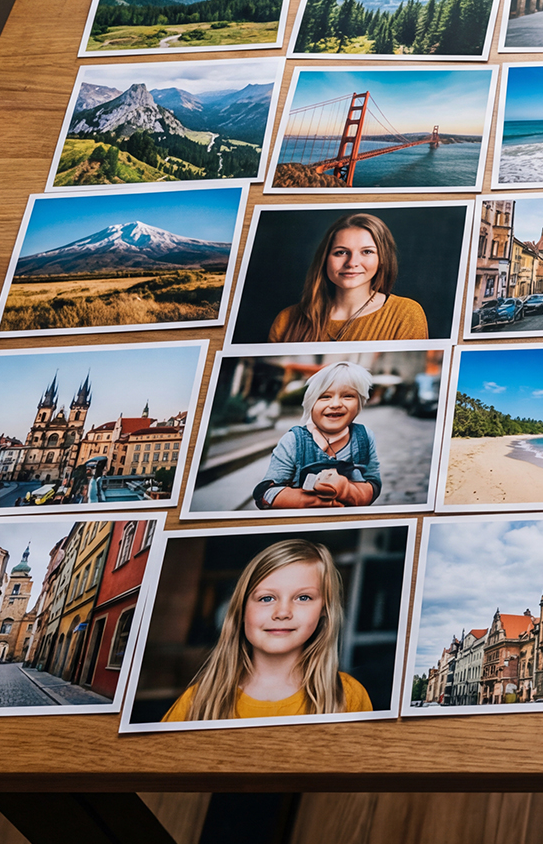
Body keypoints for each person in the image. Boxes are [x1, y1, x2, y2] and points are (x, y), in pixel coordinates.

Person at [162, 538, 374, 721]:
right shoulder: (198, 701)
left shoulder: (347, 696)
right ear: (241, 609)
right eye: (266, 598)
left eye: (303, 597)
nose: (282, 612)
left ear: (324, 610)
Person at [269, 212, 428, 343]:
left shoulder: (406, 313)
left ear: (382, 259)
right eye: (341, 252)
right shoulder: (287, 319)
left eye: (367, 252)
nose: (352, 263)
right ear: (325, 259)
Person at [252, 360, 382, 511]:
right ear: (310, 403)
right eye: (325, 397)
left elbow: (373, 483)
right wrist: (311, 501)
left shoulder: (364, 438)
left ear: (359, 404)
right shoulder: (294, 440)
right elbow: (265, 493)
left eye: (348, 396)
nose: (335, 404)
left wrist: (346, 489)